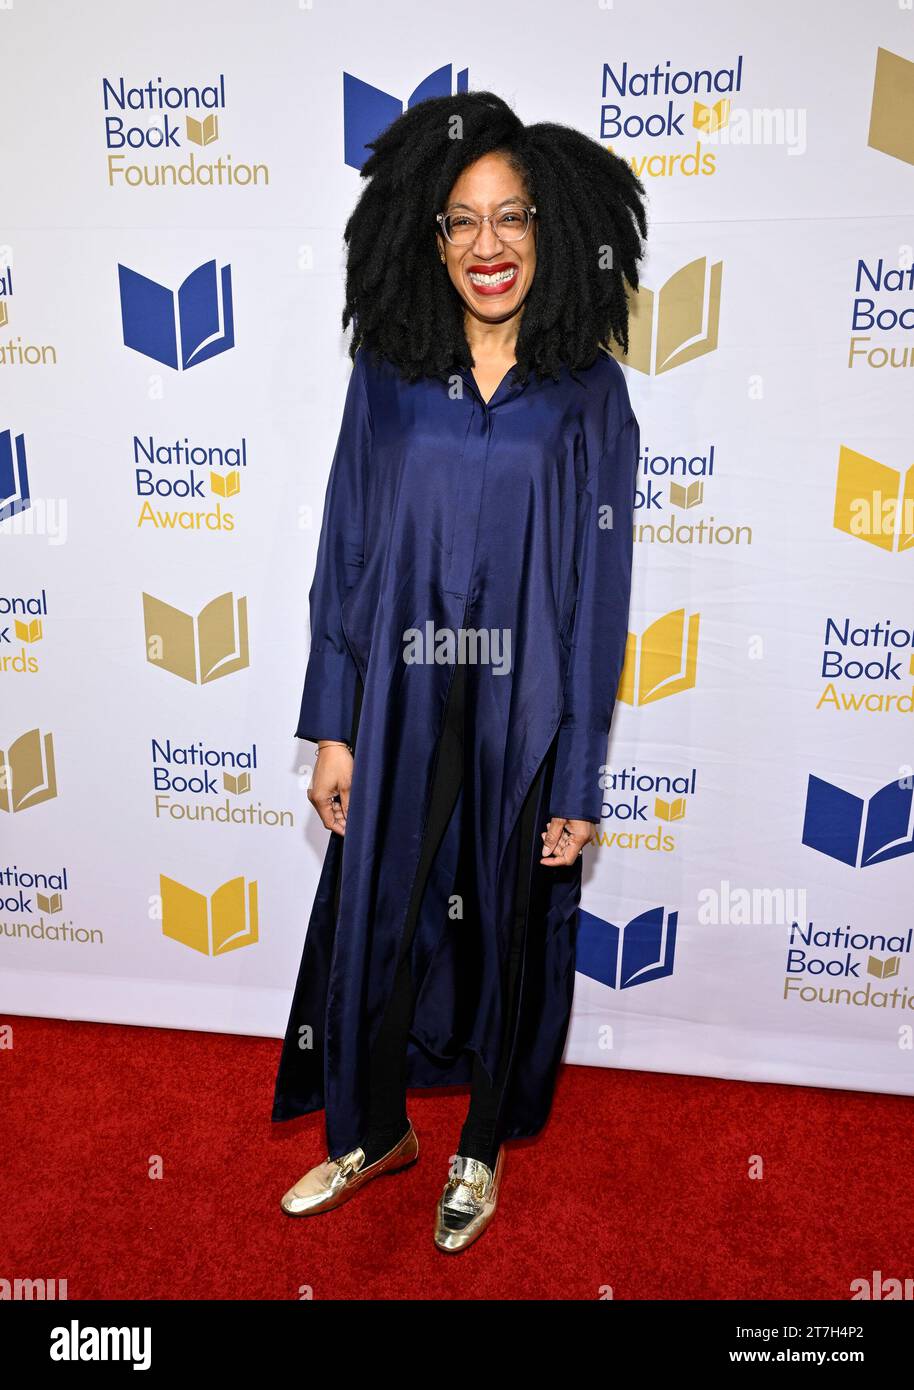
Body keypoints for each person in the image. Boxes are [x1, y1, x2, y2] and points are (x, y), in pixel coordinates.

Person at [272, 89, 647, 1253]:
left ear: (548, 226)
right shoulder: (387, 374)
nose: (488, 246)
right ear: (426, 238)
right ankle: (373, 1130)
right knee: (379, 912)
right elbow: (345, 544)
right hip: (397, 699)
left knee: (505, 923)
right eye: (461, 221)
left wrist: (579, 775)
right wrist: (332, 722)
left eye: (512, 217)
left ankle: (477, 1148)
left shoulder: (587, 394)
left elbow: (599, 597)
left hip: (524, 712)